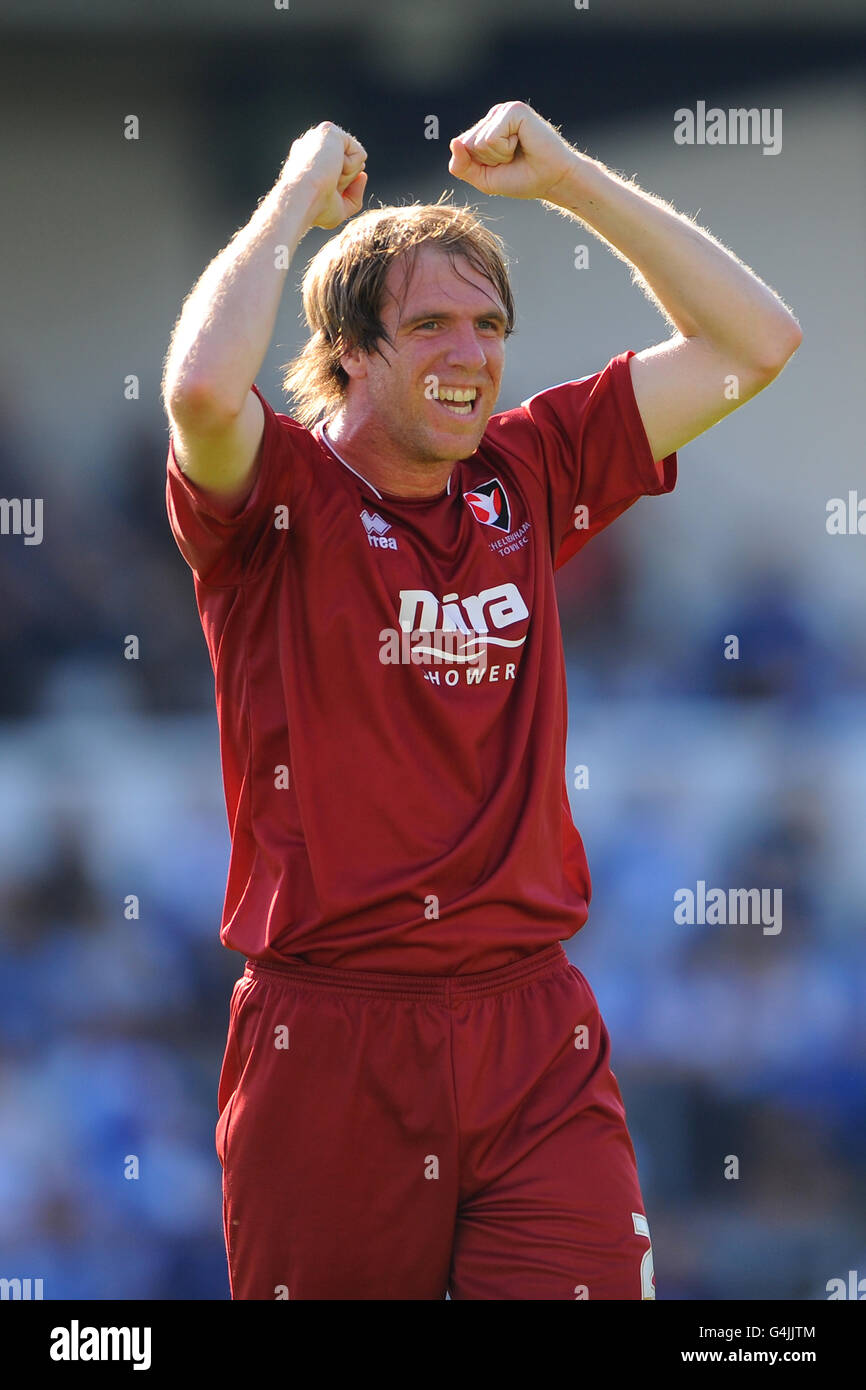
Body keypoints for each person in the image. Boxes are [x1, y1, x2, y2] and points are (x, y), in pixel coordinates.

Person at [162, 102, 801, 1300]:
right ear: (351, 348)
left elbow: (753, 343)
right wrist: (298, 193)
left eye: (489, 325)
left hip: (530, 1025)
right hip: (329, 1033)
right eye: (430, 327)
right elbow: (201, 389)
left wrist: (567, 182)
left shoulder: (526, 468)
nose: (471, 355)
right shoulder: (275, 495)